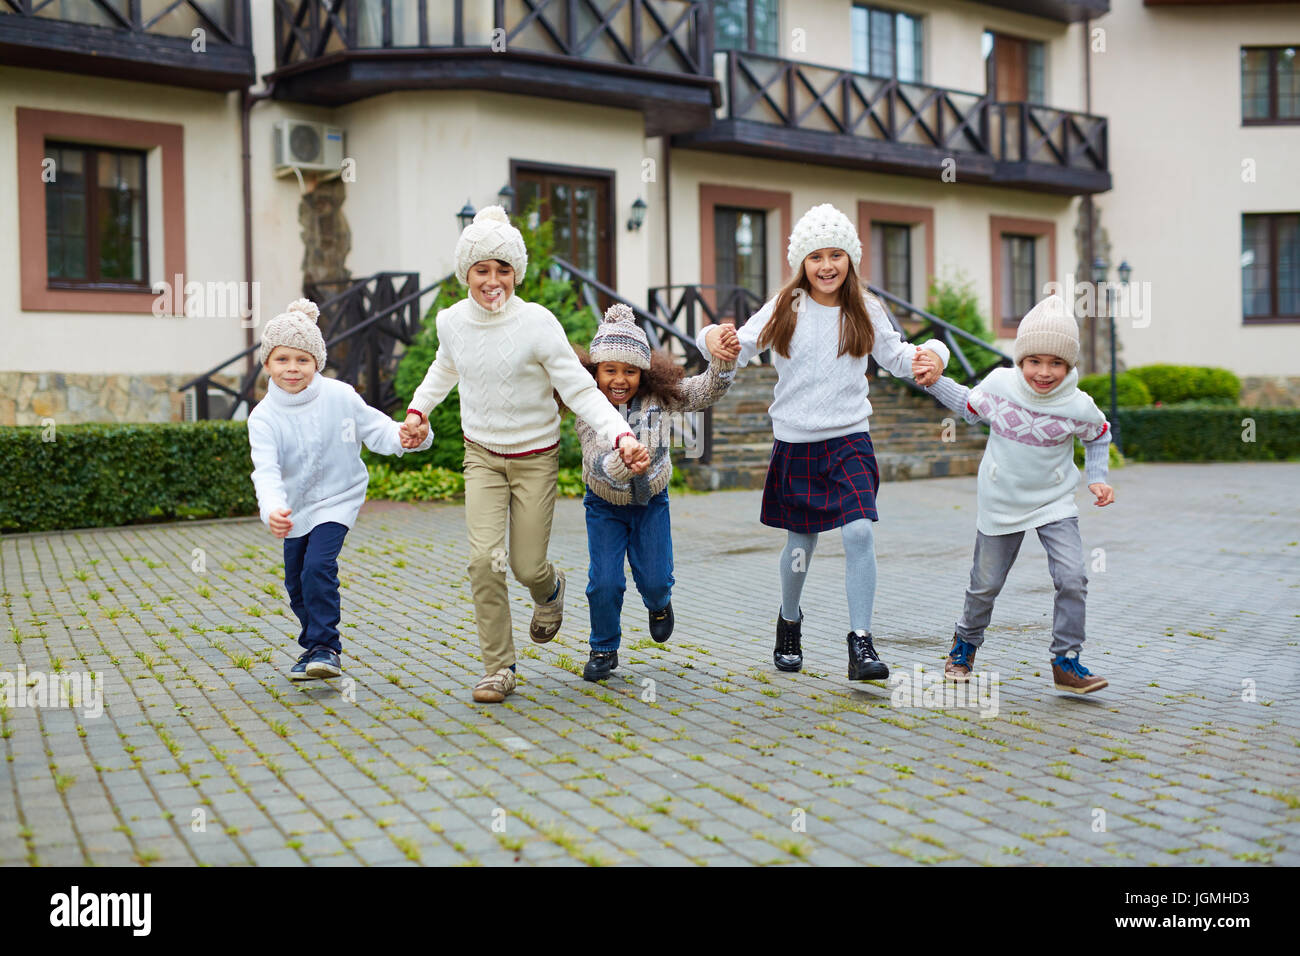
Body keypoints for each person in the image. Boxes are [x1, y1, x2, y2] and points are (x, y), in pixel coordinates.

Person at [399, 207, 649, 703]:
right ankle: (499, 667)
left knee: (526, 565)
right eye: (482, 270)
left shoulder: (537, 322)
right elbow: (443, 369)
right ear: (465, 274)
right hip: (482, 457)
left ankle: (549, 590)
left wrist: (621, 435)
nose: (493, 281)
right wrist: (417, 411)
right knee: (484, 562)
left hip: (536, 457)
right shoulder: (451, 322)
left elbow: (579, 388)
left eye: (503, 269)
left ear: (517, 273)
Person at [695, 203, 949, 681]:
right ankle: (789, 623)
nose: (827, 265)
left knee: (859, 532)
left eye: (836, 255)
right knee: (800, 545)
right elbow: (739, 345)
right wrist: (711, 336)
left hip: (850, 438)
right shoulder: (785, 307)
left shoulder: (865, 309)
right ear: (802, 264)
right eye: (816, 257)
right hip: (796, 444)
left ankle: (861, 644)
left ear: (850, 259)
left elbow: (899, 356)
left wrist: (936, 353)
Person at [920, 293, 1113, 694]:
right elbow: (966, 403)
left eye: (1056, 363)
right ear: (1020, 360)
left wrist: (1098, 476)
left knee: (1073, 577)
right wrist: (934, 379)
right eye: (1034, 361)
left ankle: (1066, 661)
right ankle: (964, 644)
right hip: (1001, 501)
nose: (1044, 372)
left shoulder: (1079, 405)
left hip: (1054, 503)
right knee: (985, 584)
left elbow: (1100, 435)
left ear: (1069, 364)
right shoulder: (1000, 386)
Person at [247, 298, 432, 681]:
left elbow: (377, 429)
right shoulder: (263, 417)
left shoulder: (340, 396)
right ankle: (314, 644)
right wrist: (273, 510)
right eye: (282, 360)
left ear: (318, 362)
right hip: (294, 507)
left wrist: (409, 436)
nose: (293, 369)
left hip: (338, 497)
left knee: (318, 567)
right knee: (296, 582)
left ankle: (325, 648)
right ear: (267, 364)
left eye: (303, 360)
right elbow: (265, 471)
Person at [575, 304, 740, 681]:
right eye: (610, 370)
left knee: (654, 578)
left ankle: (659, 603)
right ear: (595, 371)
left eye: (630, 371)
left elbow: (703, 391)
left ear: (643, 372)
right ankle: (603, 647)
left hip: (651, 503)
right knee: (605, 581)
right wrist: (623, 462)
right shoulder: (589, 406)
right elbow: (595, 457)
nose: (620, 379)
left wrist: (723, 363)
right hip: (604, 504)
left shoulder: (659, 396)